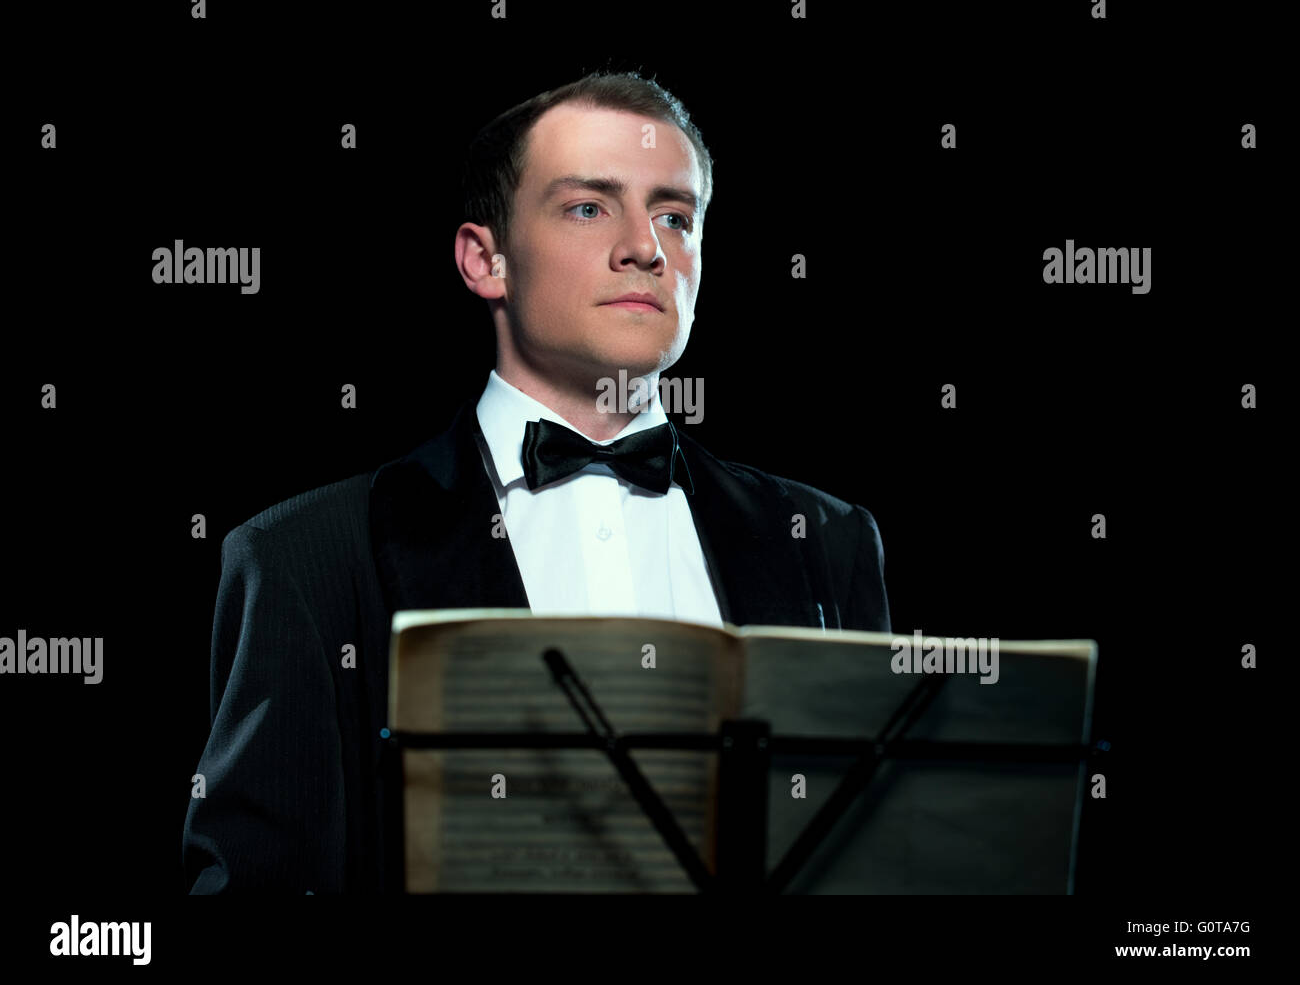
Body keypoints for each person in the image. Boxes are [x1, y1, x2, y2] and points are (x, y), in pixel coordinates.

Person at [182, 71, 891, 894]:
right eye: (589, 207)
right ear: (487, 261)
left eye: (674, 216)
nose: (646, 248)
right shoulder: (303, 559)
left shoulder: (828, 541)